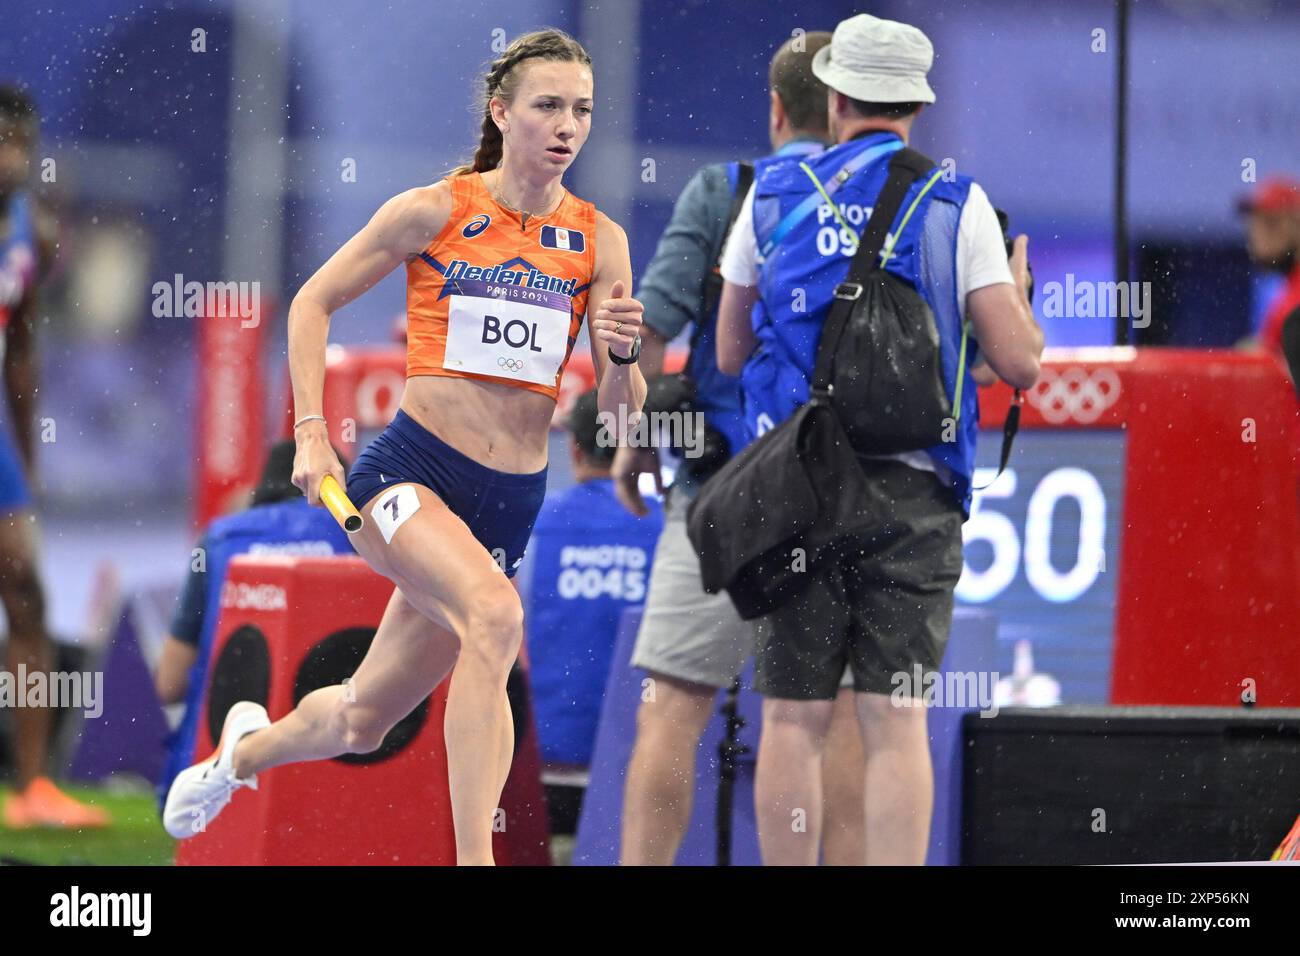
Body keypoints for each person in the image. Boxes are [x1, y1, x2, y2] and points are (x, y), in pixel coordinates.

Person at [163, 28, 648, 865]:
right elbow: (311, 303)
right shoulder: (436, 210)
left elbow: (620, 410)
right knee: (495, 616)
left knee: (363, 717)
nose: (567, 126)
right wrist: (311, 431)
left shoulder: (600, 242)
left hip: (510, 502)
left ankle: (241, 753)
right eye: (548, 106)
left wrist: (627, 356)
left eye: (582, 110)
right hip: (409, 476)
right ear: (503, 112)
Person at [716, 13, 1043, 865]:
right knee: (896, 717)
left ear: (834, 97)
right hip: (912, 496)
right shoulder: (956, 202)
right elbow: (1020, 364)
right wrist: (1016, 287)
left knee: (791, 714)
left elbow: (726, 349)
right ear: (915, 107)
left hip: (797, 489)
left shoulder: (772, 195)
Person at [616, 33, 869, 866]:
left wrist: (632, 438)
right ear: (846, 107)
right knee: (823, 714)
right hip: (846, 497)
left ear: (774, 109)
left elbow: (647, 334)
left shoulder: (727, 192)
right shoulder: (899, 199)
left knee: (674, 705)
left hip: (724, 493)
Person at [0, 85, 110, 829]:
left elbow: (23, 346)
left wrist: (25, 457)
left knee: (27, 594)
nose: (13, 158)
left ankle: (32, 789)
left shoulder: (30, 227)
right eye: (1, 142)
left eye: (22, 144)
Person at [154, 440, 354, 812]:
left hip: (212, 791)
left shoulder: (221, 538)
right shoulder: (363, 534)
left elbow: (169, 683)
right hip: (338, 787)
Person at [519, 387, 662, 834]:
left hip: (542, 768)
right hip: (642, 768)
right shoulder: (673, 527)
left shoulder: (528, 524)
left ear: (574, 448)